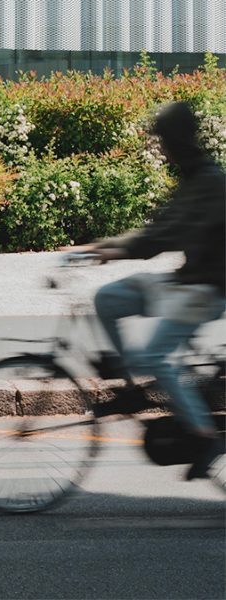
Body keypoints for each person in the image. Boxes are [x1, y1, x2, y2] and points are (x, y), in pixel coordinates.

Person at [75, 101, 226, 480]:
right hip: (183, 284)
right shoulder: (191, 177)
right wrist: (104, 245)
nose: (159, 147)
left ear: (176, 140)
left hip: (208, 289)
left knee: (157, 355)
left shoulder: (210, 181)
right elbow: (160, 225)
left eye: (162, 140)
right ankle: (132, 386)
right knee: (108, 298)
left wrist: (122, 249)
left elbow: (171, 234)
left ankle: (205, 436)